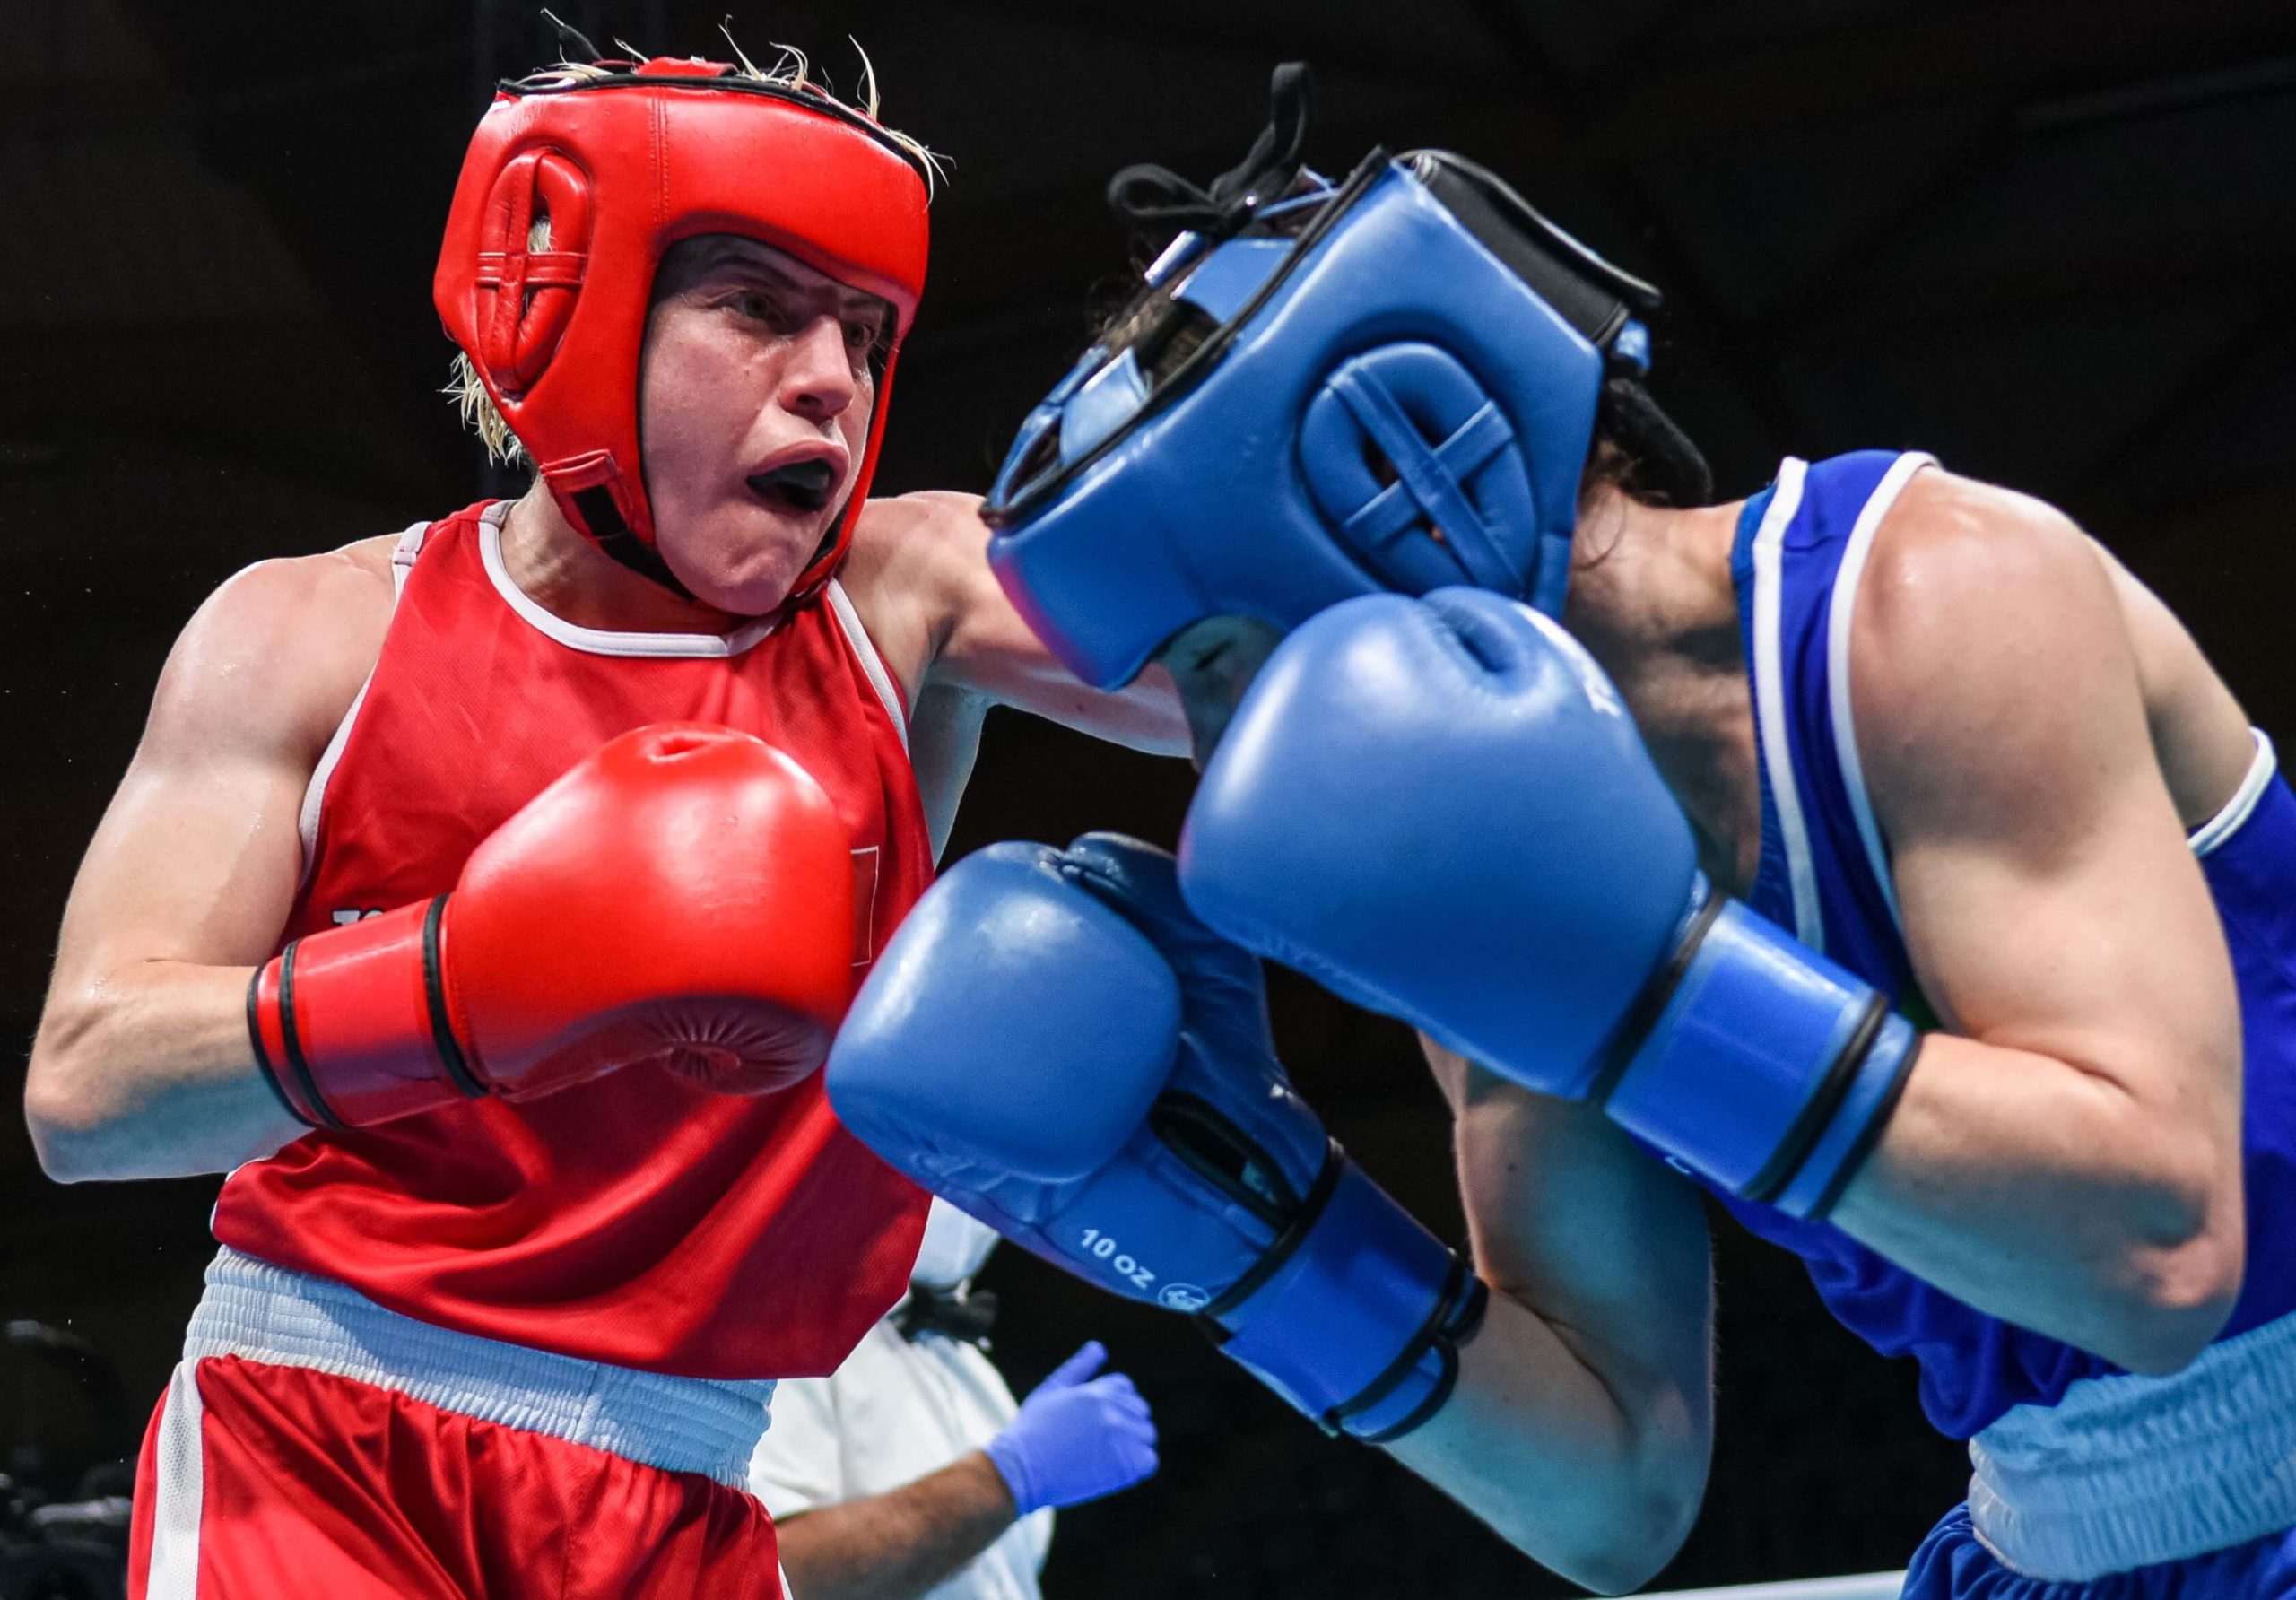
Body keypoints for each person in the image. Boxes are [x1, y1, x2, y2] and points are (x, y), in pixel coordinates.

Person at [822, 67, 2296, 1598]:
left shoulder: (1927, 604)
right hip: (2069, 1541)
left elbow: (2158, 1255)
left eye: (1204, 663)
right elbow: (1610, 1486)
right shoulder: (1482, 900)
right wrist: (1254, 1232)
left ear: (1385, 485)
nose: (1213, 753)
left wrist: (1648, 995)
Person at [22, 45, 1181, 1600]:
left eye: (867, 329)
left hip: (695, 1493)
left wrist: (1289, 475)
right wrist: (458, 983)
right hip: (317, 1447)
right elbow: (86, 1092)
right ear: (566, 313)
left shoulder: (904, 600)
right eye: (760, 307)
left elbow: (1302, 697)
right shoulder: (314, 634)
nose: (833, 377)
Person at [749, 1200, 1158, 1600]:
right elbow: (774, 1576)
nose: (972, 1203)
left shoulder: (977, 1376)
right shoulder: (790, 1339)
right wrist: (1004, 1480)